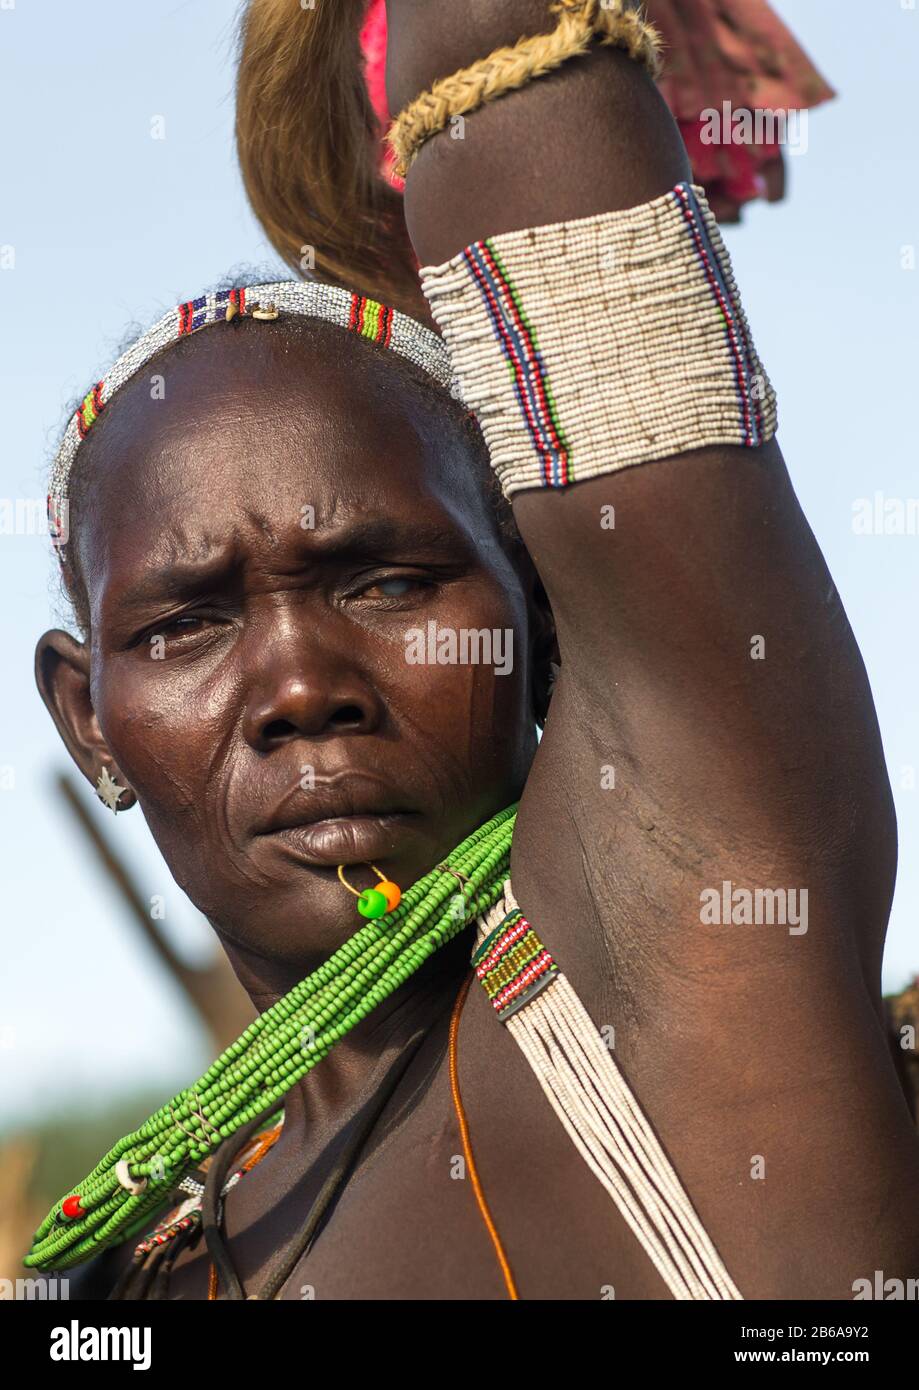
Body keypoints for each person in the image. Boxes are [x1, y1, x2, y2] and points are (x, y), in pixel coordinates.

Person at [29, 0, 919, 1299]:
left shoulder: (675, 961)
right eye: (186, 624)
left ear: (543, 614)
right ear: (89, 720)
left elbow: (500, 53)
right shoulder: (119, 1277)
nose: (297, 687)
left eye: (386, 579)